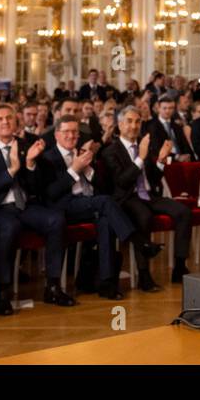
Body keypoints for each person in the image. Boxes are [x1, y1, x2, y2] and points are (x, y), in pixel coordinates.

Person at [0, 103, 73, 312]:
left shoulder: (28, 144)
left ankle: (52, 286)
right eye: (0, 119)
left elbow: (38, 187)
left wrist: (30, 163)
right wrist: (12, 170)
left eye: (9, 118)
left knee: (56, 219)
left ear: (16, 121)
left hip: (25, 205)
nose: (6, 122)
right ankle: (1, 292)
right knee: (10, 226)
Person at [36, 115, 145, 299]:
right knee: (105, 201)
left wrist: (88, 169)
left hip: (88, 204)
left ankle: (107, 283)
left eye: (75, 132)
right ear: (56, 135)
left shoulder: (82, 153)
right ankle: (137, 242)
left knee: (106, 222)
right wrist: (74, 170)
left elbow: (101, 186)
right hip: (64, 208)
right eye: (67, 132)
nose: (71, 136)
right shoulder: (48, 158)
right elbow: (50, 193)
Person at [98, 106, 190, 288]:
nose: (134, 126)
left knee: (184, 212)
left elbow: (153, 178)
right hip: (126, 198)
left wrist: (162, 161)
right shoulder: (110, 151)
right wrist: (140, 158)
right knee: (144, 216)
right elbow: (122, 182)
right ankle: (144, 275)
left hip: (149, 195)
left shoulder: (144, 144)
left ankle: (179, 267)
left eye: (137, 121)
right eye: (129, 121)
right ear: (120, 125)